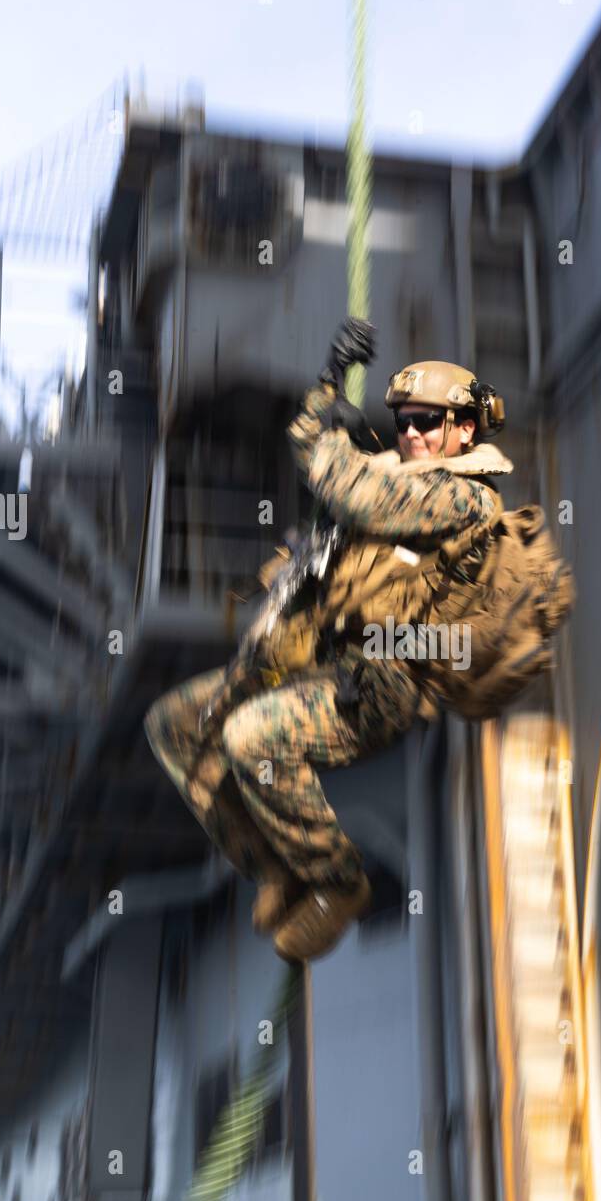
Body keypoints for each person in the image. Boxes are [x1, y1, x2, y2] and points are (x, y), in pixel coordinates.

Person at [144, 318, 517, 963]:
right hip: (320, 657)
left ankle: (338, 884)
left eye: (428, 421)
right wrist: (328, 383)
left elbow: (346, 488)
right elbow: (312, 450)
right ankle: (279, 865)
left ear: (463, 431)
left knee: (249, 737)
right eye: (404, 420)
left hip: (382, 682)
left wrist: (332, 429)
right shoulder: (395, 475)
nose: (411, 433)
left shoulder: (462, 500)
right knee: (175, 725)